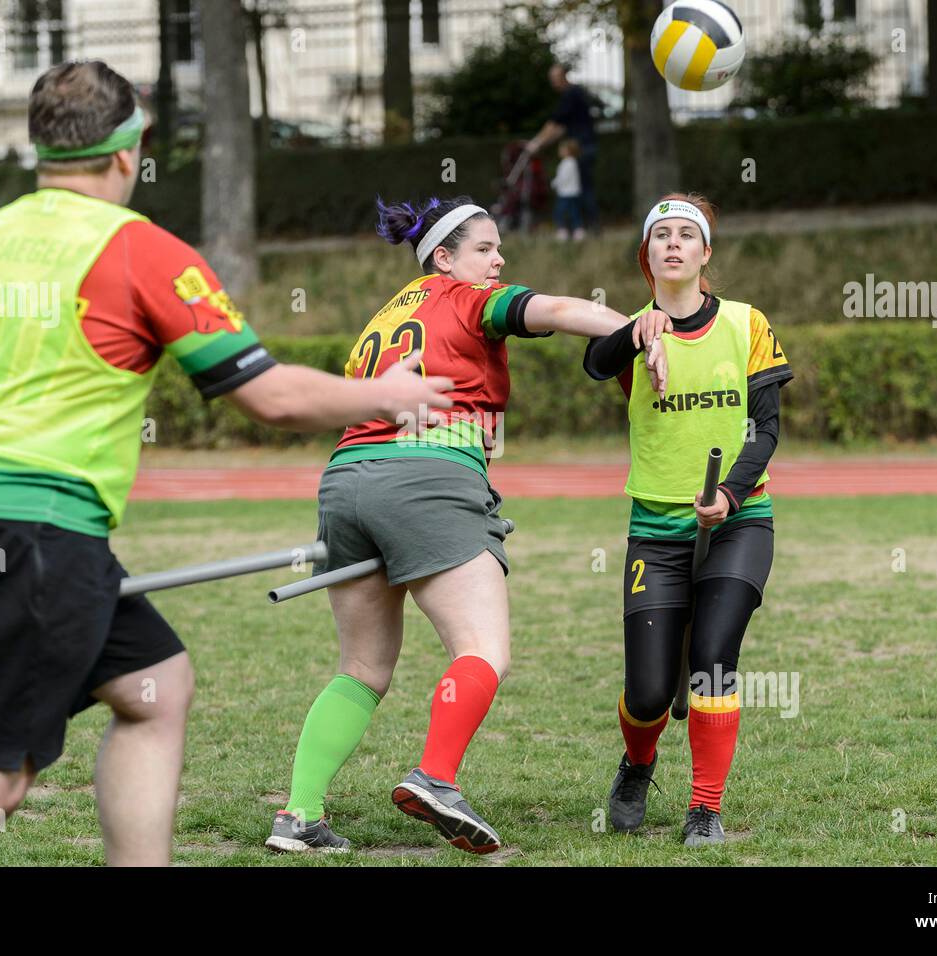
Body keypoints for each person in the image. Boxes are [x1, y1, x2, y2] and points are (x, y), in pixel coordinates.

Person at [0, 60, 452, 867]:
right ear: (131, 150)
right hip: (32, 531)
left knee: (155, 686)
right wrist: (387, 393)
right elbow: (270, 397)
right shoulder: (141, 251)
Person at [266, 195, 666, 855]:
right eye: (485, 249)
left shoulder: (387, 313)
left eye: (498, 248)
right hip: (429, 477)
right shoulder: (469, 298)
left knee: (361, 667)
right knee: (483, 648)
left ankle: (298, 814)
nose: (499, 260)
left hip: (345, 479)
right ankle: (435, 777)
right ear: (445, 258)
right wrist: (639, 327)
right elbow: (557, 311)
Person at [582, 193, 793, 846]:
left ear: (705, 253)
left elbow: (765, 428)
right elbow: (595, 363)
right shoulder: (628, 333)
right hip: (656, 530)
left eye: (686, 235)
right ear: (646, 255)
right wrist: (637, 332)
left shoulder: (746, 323)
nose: (673, 243)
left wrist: (729, 493)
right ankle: (637, 763)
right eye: (661, 235)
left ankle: (705, 809)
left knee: (711, 660)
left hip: (738, 523)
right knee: (649, 694)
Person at [524, 64, 599, 234]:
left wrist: (536, 142)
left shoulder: (571, 95)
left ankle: (588, 226)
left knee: (582, 188)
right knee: (582, 188)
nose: (553, 83)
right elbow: (561, 128)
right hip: (583, 146)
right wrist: (542, 143)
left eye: (554, 79)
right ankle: (583, 226)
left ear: (563, 77)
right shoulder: (574, 94)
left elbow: (554, 123)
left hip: (582, 148)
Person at [551, 138, 584, 241]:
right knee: (574, 212)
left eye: (562, 149)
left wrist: (554, 183)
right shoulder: (571, 162)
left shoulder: (568, 163)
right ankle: (576, 230)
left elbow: (563, 178)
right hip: (571, 192)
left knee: (560, 212)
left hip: (566, 193)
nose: (560, 151)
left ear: (568, 151)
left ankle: (564, 231)